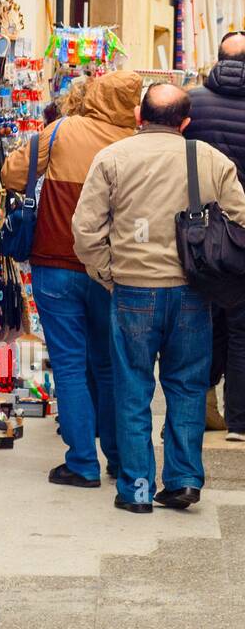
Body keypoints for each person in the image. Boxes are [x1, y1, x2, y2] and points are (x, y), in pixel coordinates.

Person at [72, 84, 245, 513]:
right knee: (186, 386)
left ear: (137, 115)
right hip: (192, 292)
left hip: (132, 289)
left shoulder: (112, 158)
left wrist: (107, 273)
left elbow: (85, 231)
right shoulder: (209, 159)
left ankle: (136, 487)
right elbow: (242, 221)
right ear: (185, 123)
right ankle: (183, 479)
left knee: (132, 388)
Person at [0, 70, 142, 488]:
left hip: (56, 261)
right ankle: (118, 458)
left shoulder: (62, 130)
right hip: (111, 269)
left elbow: (12, 174)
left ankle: (82, 463)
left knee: (68, 365)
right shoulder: (136, 142)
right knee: (108, 363)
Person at [184, 31, 245, 439]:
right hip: (243, 227)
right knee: (242, 325)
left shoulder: (192, 101)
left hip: (199, 229)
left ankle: (203, 406)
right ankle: (240, 421)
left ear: (217, 57)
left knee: (204, 319)